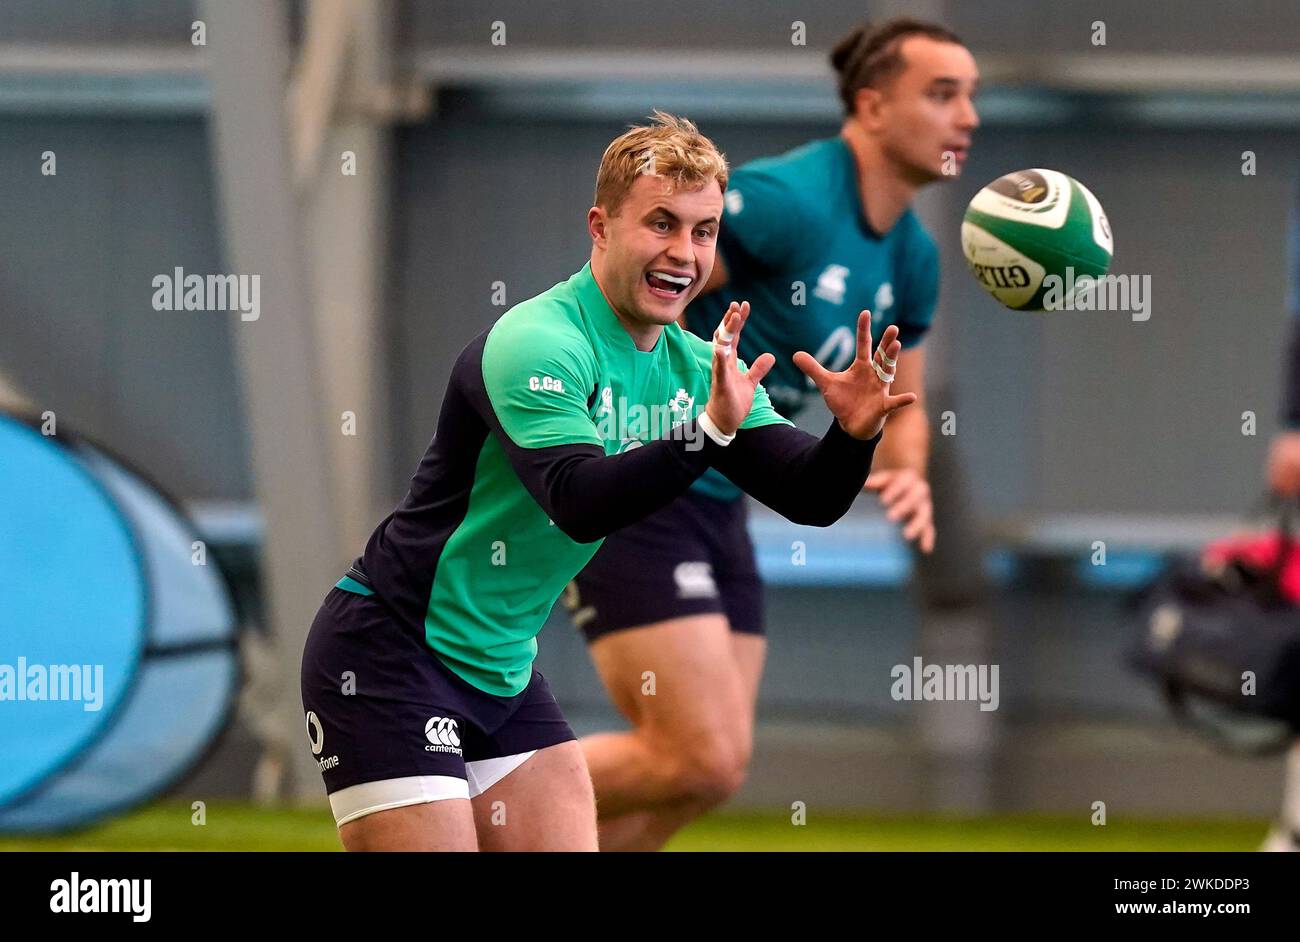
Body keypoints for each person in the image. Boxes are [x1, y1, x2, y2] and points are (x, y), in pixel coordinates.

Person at [300, 112, 917, 851]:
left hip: (500, 668)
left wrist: (854, 433)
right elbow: (577, 500)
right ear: (600, 225)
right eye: (661, 224)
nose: (683, 254)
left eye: (703, 231)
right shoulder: (539, 341)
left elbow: (810, 497)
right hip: (388, 651)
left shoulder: (699, 365)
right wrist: (706, 434)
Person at [569, 18, 980, 850]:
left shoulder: (914, 258)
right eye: (942, 95)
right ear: (870, 106)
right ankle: (435, 797)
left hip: (725, 505)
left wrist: (905, 468)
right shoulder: (790, 203)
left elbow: (902, 378)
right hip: (647, 486)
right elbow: (642, 291)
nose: (967, 117)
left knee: (703, 777)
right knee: (702, 757)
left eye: (972, 96)